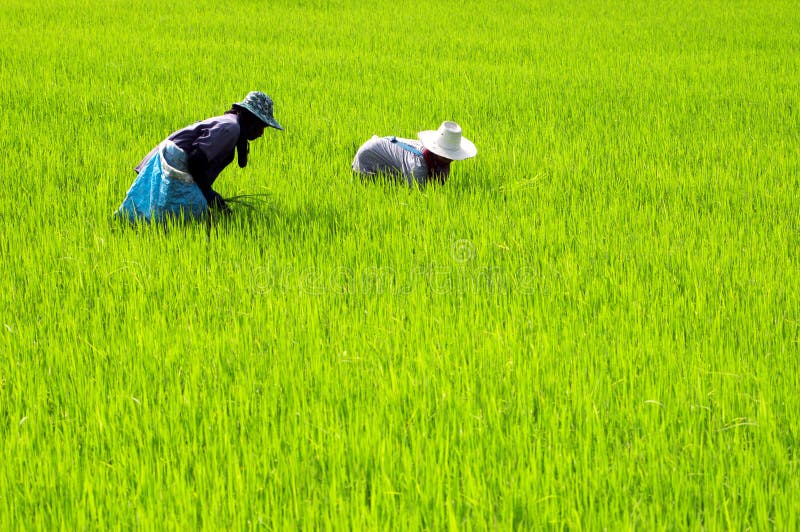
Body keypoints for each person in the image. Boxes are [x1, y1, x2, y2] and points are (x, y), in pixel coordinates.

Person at [117, 91, 283, 222]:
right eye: (261, 126)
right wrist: (209, 194)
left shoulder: (234, 126)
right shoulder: (231, 128)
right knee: (187, 218)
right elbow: (196, 159)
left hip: (174, 160)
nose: (261, 133)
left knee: (163, 217)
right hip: (174, 163)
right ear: (251, 119)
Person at [351, 121, 476, 186]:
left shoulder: (435, 159)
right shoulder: (418, 168)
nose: (451, 160)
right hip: (368, 157)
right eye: (448, 156)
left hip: (379, 147)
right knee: (384, 188)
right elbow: (416, 200)